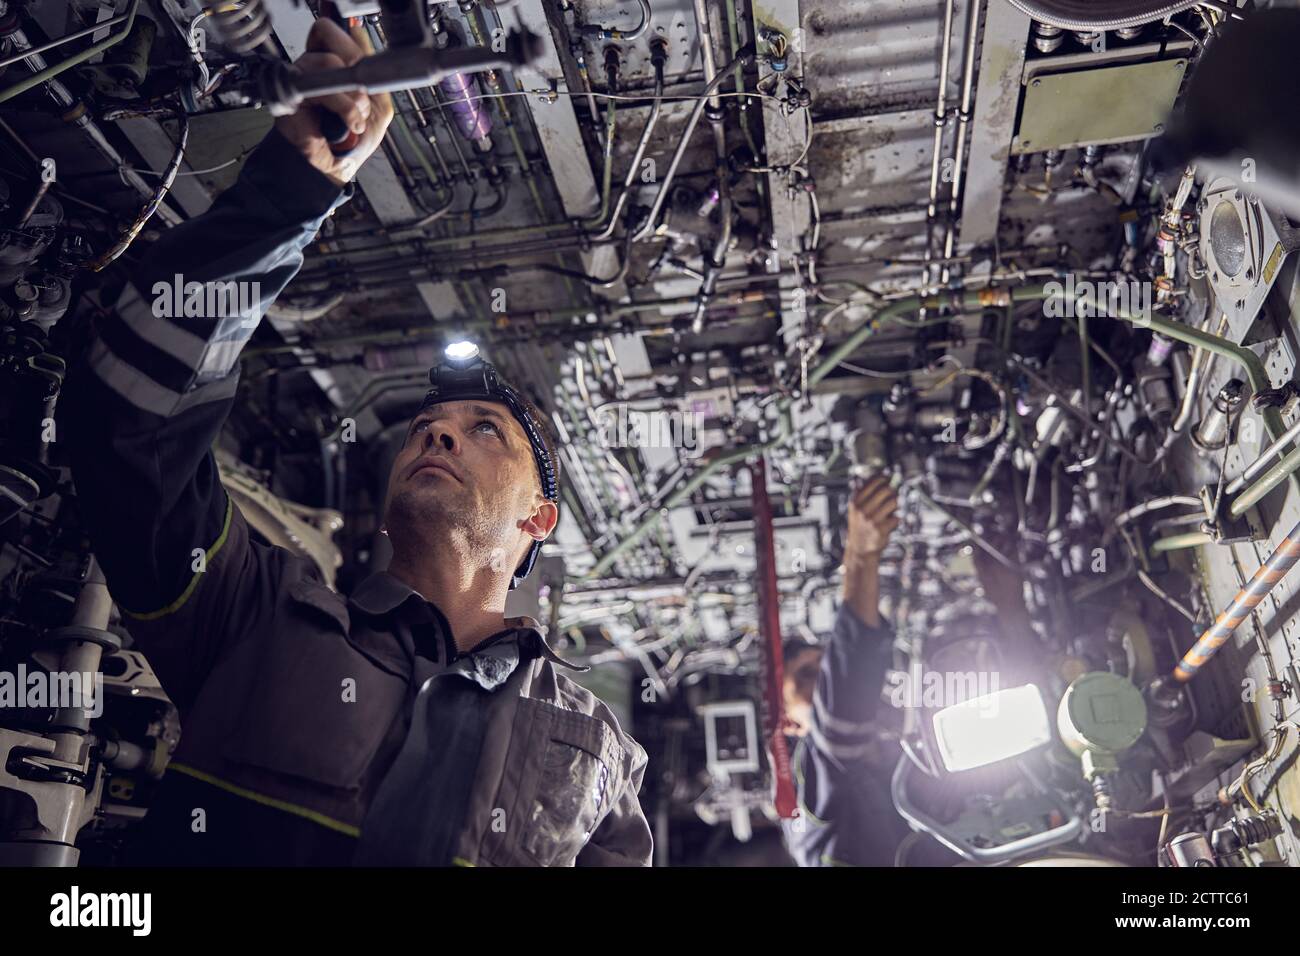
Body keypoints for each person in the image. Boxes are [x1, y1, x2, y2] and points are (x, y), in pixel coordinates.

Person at [59, 19, 651, 866]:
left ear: (539, 518)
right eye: (427, 428)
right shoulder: (251, 618)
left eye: (486, 431)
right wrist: (289, 193)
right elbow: (127, 424)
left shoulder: (601, 757)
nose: (440, 427)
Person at [780, 475, 914, 866]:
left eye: (825, 663)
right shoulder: (812, 778)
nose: (823, 678)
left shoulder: (885, 755)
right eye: (805, 676)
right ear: (788, 723)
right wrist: (860, 558)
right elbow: (838, 722)